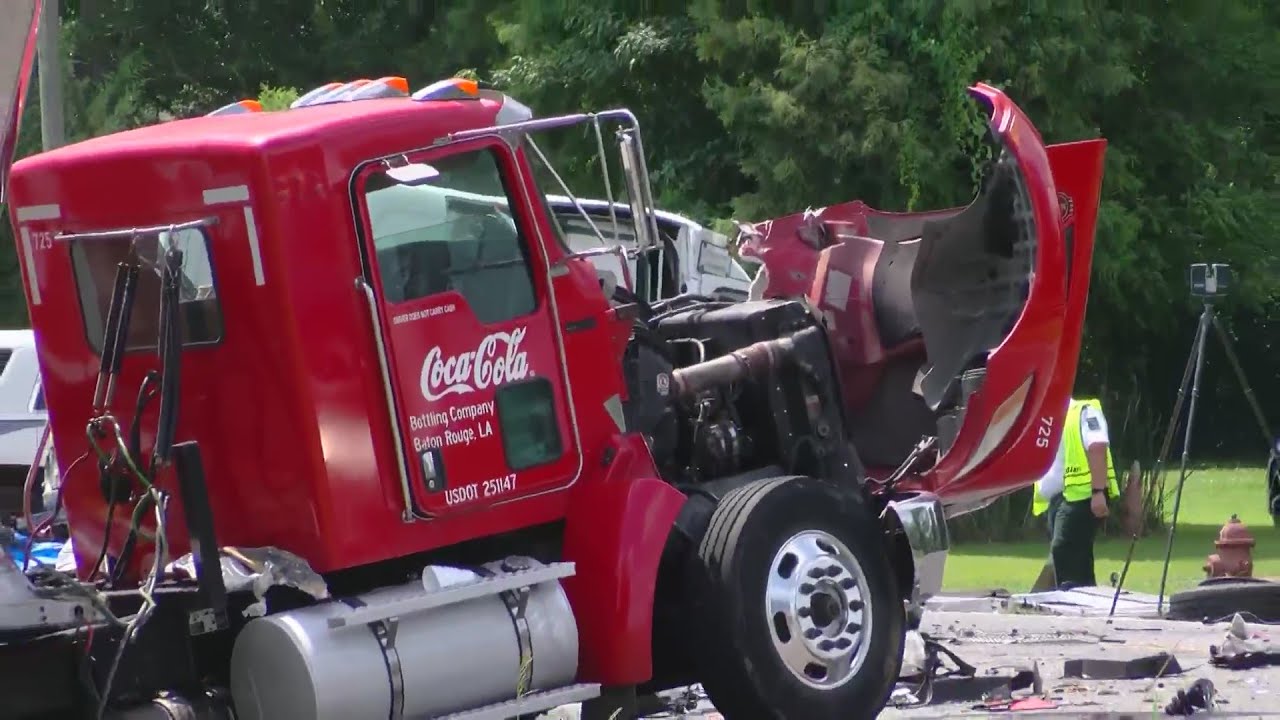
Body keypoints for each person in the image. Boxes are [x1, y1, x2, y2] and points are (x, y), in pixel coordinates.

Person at [1031, 396, 1119, 588]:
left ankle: (1069, 596)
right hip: (1059, 500)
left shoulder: (1083, 412)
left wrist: (1098, 492)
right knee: (1079, 556)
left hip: (1081, 496)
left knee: (1063, 549)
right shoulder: (1046, 418)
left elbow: (1097, 447)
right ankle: (1085, 596)